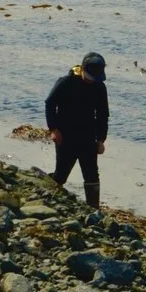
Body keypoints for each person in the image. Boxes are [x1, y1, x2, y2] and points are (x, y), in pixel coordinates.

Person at [44, 52, 110, 206]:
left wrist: (101, 140)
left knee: (92, 175)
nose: (92, 81)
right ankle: (47, 199)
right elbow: (50, 104)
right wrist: (53, 129)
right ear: (83, 70)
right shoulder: (66, 82)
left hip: (88, 136)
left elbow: (102, 115)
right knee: (61, 175)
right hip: (65, 135)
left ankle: (94, 209)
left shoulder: (100, 87)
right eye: (91, 76)